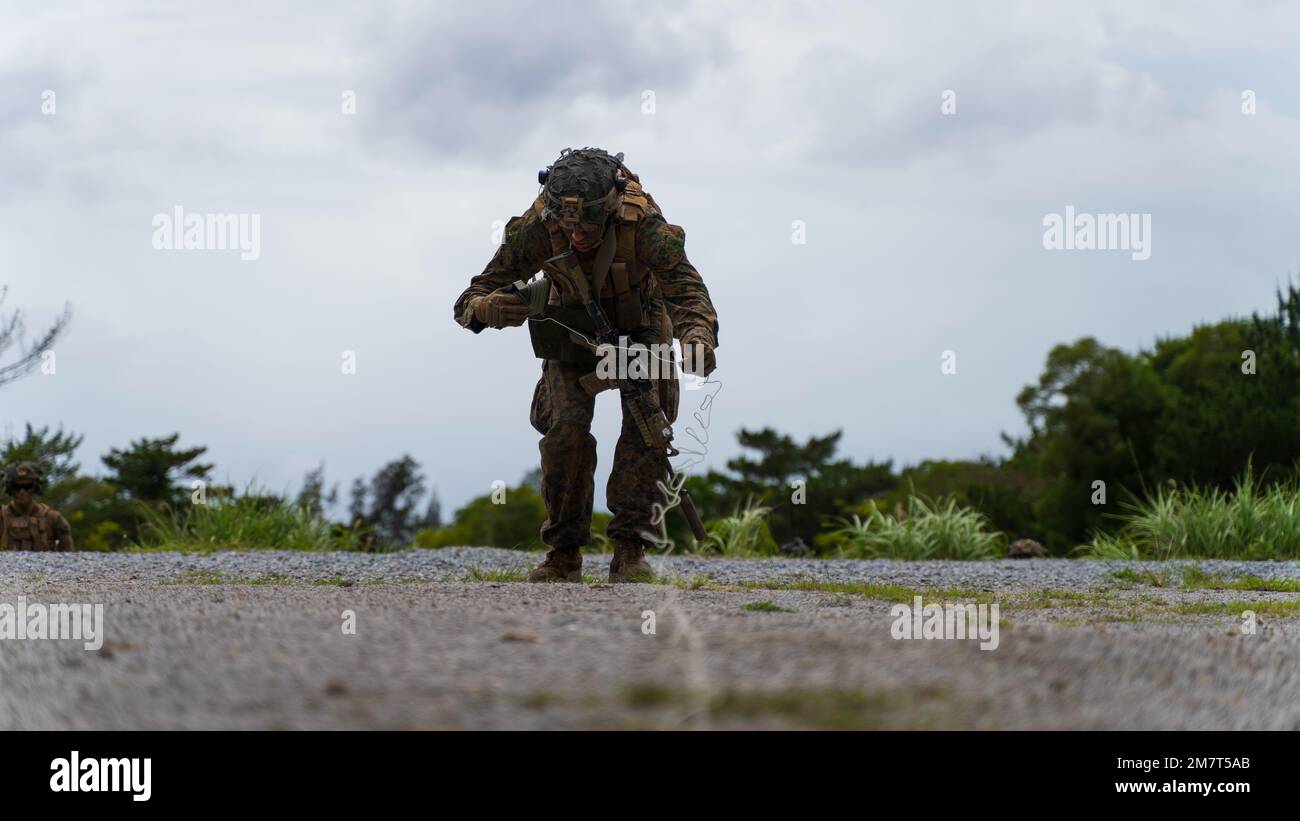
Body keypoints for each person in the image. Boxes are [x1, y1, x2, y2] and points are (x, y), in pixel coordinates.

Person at [453, 148, 719, 582]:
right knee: (565, 432)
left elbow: (688, 293)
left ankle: (631, 550)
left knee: (646, 433)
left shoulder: (645, 227)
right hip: (572, 327)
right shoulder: (538, 225)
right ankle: (563, 553)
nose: (576, 234)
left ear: (612, 210)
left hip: (642, 326)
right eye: (568, 224)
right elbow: (472, 295)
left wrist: (698, 337)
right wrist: (487, 308)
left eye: (588, 225)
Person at [0, 462, 74, 551]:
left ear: (35, 487)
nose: (22, 492)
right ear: (10, 488)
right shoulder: (1, 517)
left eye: (27, 486)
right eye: (17, 487)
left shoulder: (53, 518)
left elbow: (68, 556)